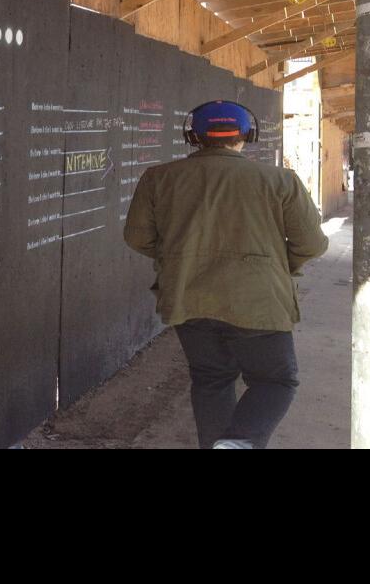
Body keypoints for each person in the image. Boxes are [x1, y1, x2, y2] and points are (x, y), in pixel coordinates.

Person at [124, 101, 329, 450]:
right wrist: (277, 266)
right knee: (275, 381)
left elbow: (137, 237)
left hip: (188, 298)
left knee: (211, 380)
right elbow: (312, 244)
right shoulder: (280, 180)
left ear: (194, 136)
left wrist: (181, 260)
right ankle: (239, 443)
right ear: (247, 135)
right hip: (259, 302)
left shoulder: (158, 178)